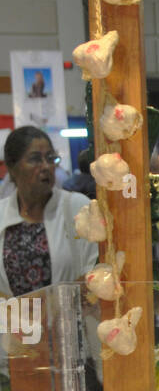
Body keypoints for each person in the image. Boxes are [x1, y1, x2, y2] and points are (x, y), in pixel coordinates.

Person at [0, 125, 96, 295]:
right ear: (12, 168)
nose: (46, 166)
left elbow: (96, 271)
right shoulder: (2, 214)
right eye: (35, 159)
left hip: (68, 319)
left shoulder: (78, 208)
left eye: (51, 158)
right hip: (11, 321)